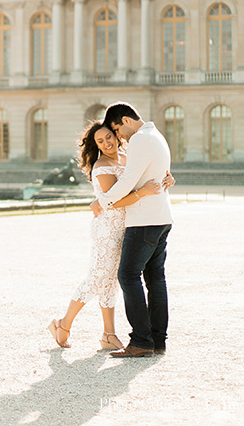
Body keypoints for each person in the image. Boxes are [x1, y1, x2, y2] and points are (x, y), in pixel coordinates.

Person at [47, 121, 170, 350]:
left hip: (129, 226)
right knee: (97, 277)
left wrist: (167, 178)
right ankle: (63, 324)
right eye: (100, 142)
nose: (106, 144)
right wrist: (142, 193)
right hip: (107, 228)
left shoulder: (127, 156)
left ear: (116, 135)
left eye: (108, 138)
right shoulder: (102, 166)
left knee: (111, 280)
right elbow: (114, 201)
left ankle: (108, 334)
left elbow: (145, 174)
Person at [97, 102, 175, 358]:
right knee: (155, 279)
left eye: (118, 130)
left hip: (144, 219)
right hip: (162, 216)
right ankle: (157, 340)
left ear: (126, 120)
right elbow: (161, 173)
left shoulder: (141, 139)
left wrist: (103, 200)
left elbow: (129, 181)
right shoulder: (157, 136)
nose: (120, 138)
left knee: (128, 275)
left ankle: (141, 340)